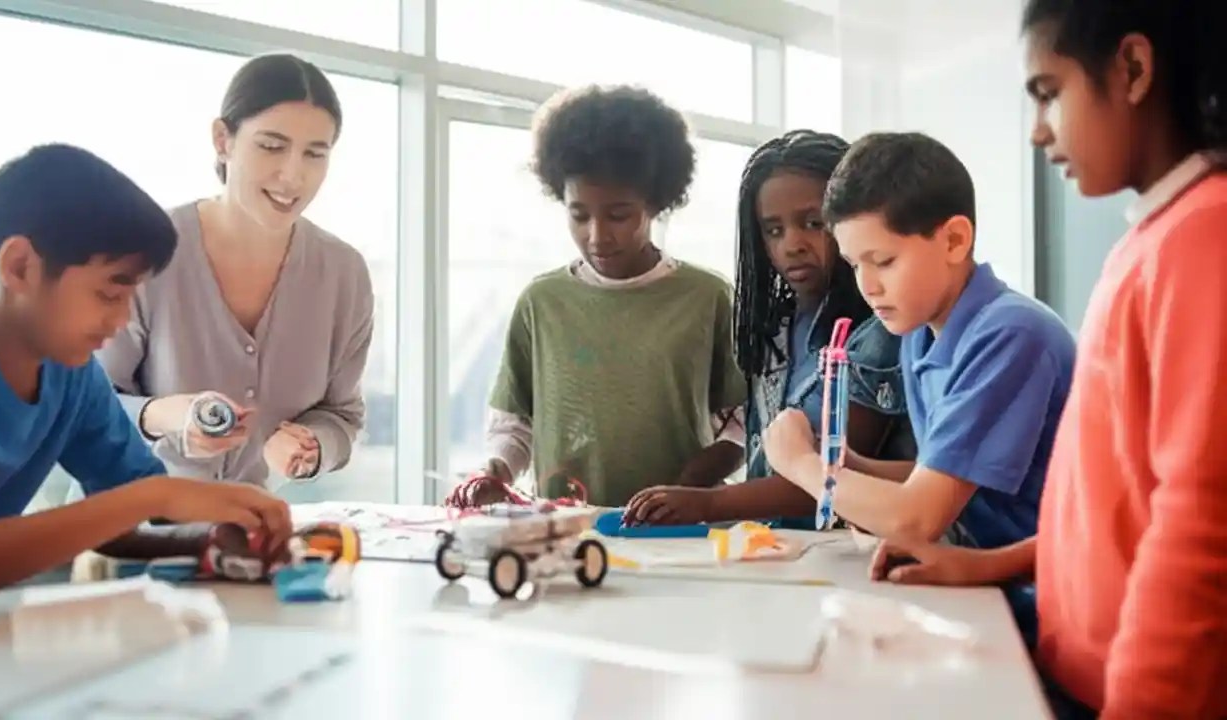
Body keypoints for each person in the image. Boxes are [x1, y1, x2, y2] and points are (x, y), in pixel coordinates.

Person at [870, 1, 1227, 717]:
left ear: (1131, 68)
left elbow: (1198, 519)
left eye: (1048, 93)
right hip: (1074, 665)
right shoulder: (1152, 239)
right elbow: (1109, 502)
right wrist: (989, 563)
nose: (1037, 131)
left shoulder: (1205, 235)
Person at [0, 144, 292, 595]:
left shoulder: (74, 377)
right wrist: (156, 496)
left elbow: (117, 521)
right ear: (20, 267)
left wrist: (211, 537)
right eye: (110, 295)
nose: (123, 318)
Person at [763, 131, 1075, 551]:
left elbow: (918, 518)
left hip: (1041, 593)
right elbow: (941, 476)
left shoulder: (1010, 334)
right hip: (979, 578)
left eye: (884, 261)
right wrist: (841, 464)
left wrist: (799, 465)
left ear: (954, 240)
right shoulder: (920, 336)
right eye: (856, 265)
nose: (868, 286)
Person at [447, 84, 748, 510]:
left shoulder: (707, 297)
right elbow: (516, 425)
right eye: (579, 215)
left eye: (619, 215)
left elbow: (745, 420)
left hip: (677, 531)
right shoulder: (542, 301)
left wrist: (697, 478)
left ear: (656, 203)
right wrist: (496, 468)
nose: (598, 236)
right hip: (562, 528)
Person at [98, 53, 374, 487]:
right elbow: (84, 404)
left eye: (314, 154)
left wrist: (313, 443)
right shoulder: (141, 252)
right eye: (272, 146)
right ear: (223, 140)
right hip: (118, 531)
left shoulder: (345, 275)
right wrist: (165, 416)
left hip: (244, 539)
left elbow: (342, 415)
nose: (292, 176)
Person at [624, 130, 912, 527]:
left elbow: (833, 477)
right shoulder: (771, 328)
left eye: (813, 223)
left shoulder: (879, 333)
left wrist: (708, 504)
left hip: (848, 558)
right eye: (773, 230)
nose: (791, 244)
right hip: (773, 550)